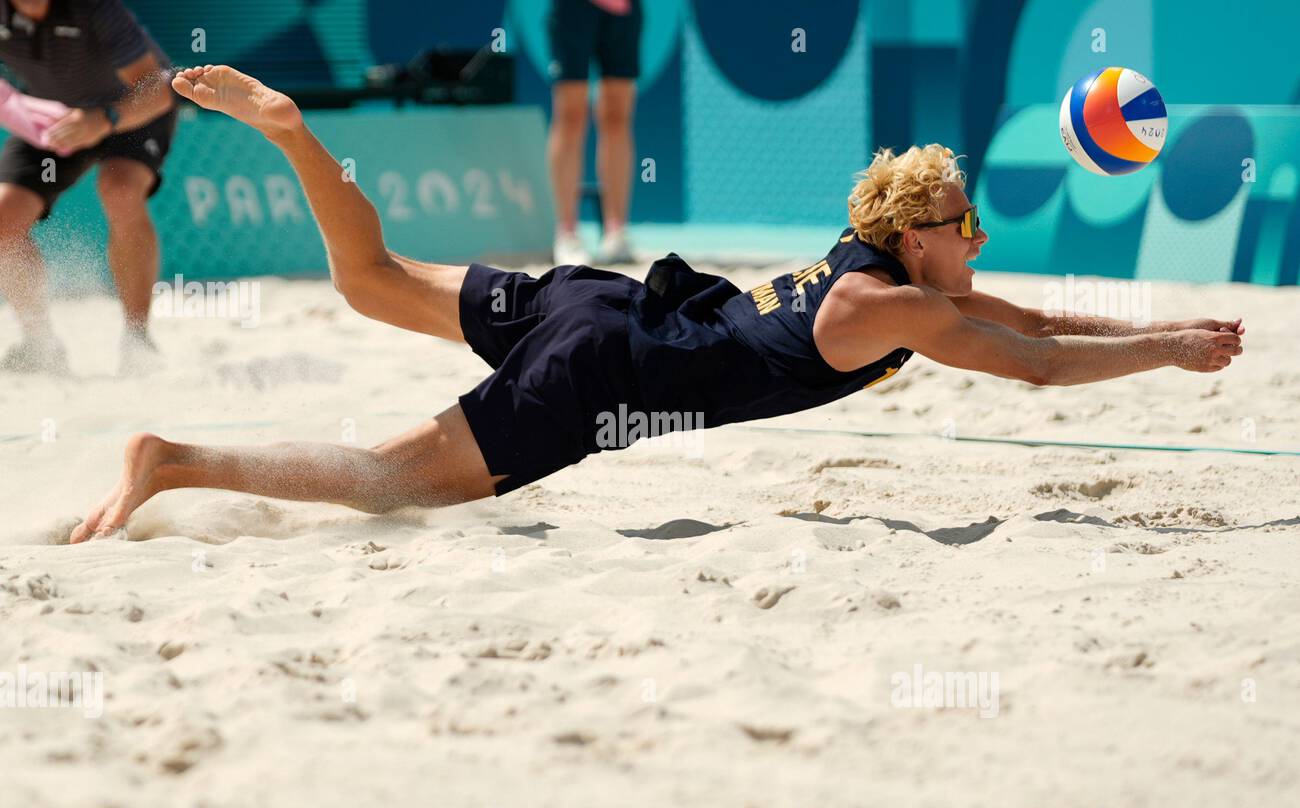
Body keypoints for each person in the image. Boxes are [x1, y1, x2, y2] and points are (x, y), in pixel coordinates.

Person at [69, 65, 1245, 544]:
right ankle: (172, 459)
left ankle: (292, 132)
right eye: (965, 228)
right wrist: (1167, 354)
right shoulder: (893, 312)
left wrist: (1168, 335)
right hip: (603, 376)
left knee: (368, 279)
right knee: (387, 486)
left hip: (601, 300)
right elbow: (1029, 366)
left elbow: (1029, 323)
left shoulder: (874, 263)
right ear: (914, 235)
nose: (977, 243)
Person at [0, 0, 176, 376]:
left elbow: (156, 89)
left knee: (120, 190)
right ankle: (40, 345)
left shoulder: (95, 7)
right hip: (55, 118)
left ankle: (137, 339)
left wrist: (106, 118)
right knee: (3, 220)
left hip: (132, 111)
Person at [546, 0, 640, 265]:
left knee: (617, 115)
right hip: (573, 9)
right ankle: (567, 233)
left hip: (624, 10)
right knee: (570, 114)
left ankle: (616, 232)